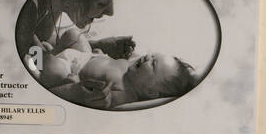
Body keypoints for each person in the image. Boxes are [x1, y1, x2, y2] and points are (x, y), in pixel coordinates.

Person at [15, 0, 127, 60]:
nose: (110, 12)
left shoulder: (53, 1)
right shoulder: (29, 11)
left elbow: (41, 42)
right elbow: (36, 65)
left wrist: (91, 47)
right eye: (103, 3)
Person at [43, 48, 199, 109]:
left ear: (150, 91)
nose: (148, 57)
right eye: (152, 55)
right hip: (87, 55)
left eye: (153, 63)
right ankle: (48, 51)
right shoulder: (134, 67)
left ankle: (38, 54)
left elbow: (101, 99)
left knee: (51, 65)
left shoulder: (125, 92)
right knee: (73, 35)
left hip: (72, 71)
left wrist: (75, 84)